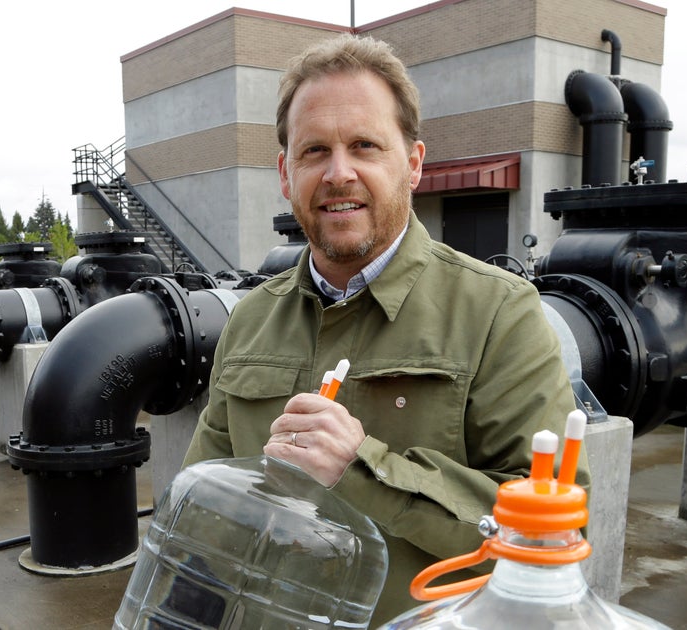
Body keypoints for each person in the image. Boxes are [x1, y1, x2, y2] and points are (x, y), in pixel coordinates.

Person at [182, 34, 587, 624]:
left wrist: (361, 470)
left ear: (414, 162)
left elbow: (549, 537)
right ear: (285, 173)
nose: (338, 173)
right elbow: (201, 502)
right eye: (314, 150)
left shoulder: (498, 313)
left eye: (365, 146)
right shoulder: (250, 320)